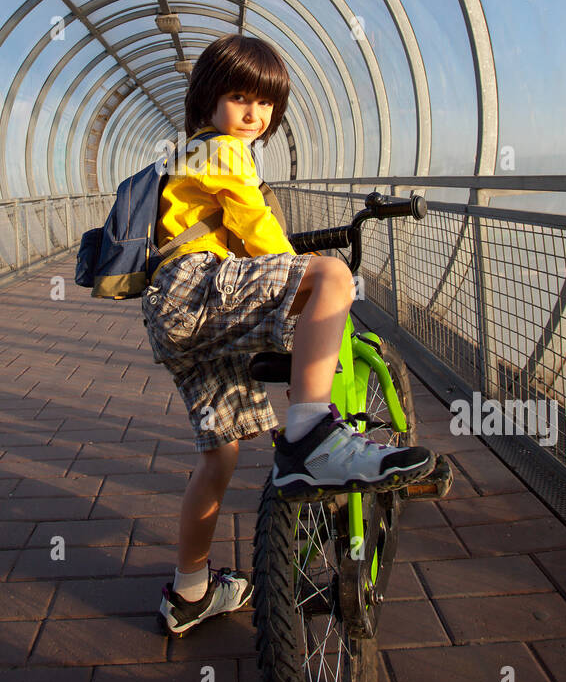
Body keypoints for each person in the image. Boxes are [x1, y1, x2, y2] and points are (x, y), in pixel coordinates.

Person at [141, 34, 435, 635]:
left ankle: (190, 593)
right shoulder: (221, 151)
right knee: (332, 275)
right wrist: (299, 276)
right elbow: (258, 229)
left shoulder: (186, 155)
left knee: (217, 456)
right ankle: (309, 437)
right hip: (197, 290)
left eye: (265, 102)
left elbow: (229, 227)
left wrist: (274, 272)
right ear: (208, 100)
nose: (253, 113)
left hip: (176, 314)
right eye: (239, 97)